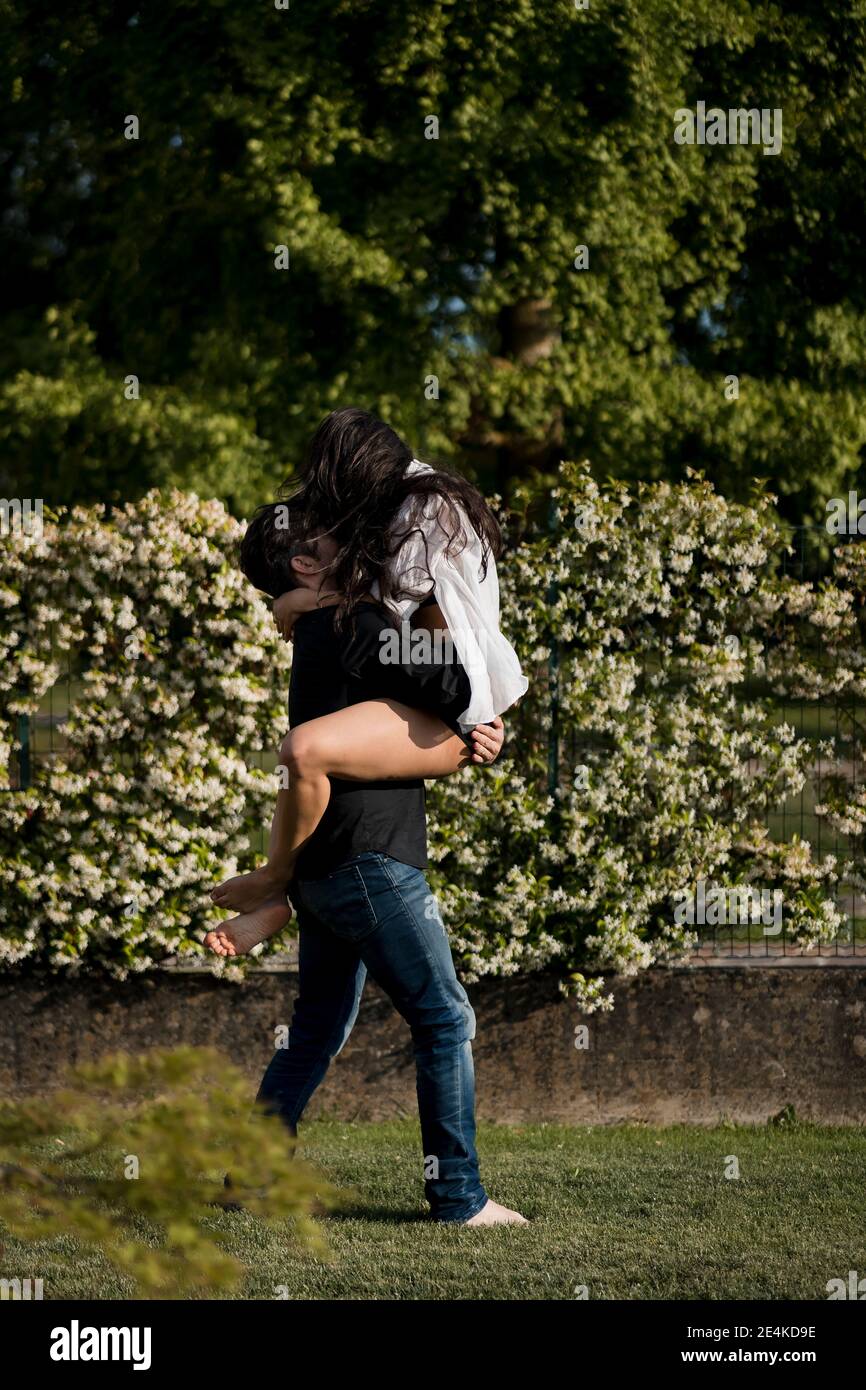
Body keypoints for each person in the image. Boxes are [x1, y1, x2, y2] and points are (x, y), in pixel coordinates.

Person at [207, 509, 527, 1226]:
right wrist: (478, 720)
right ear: (304, 564)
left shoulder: (330, 621)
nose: (347, 532)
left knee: (316, 1026)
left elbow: (425, 687)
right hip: (371, 862)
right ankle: (458, 1197)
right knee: (445, 1019)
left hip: (327, 867)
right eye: (325, 535)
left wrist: (476, 726)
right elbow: (446, 679)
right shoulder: (350, 625)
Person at [210, 408, 527, 944]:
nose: (328, 520)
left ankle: (275, 886)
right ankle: (275, 889)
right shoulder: (388, 544)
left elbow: (425, 647)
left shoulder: (414, 525)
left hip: (457, 719)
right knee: (305, 755)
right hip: (452, 713)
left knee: (304, 752)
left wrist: (314, 595)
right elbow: (393, 624)